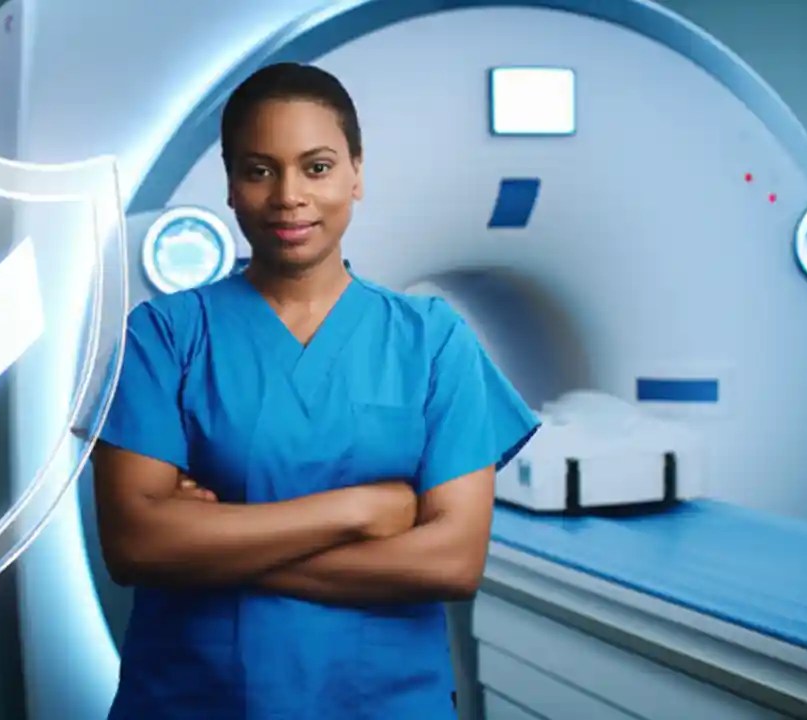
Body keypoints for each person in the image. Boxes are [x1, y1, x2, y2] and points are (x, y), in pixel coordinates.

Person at [91, 62, 540, 719]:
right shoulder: (164, 335)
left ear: (357, 173)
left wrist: (209, 547)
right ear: (231, 185)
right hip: (196, 699)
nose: (288, 196)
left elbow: (452, 561)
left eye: (318, 166)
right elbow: (136, 546)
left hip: (383, 703)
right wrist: (359, 510)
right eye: (259, 169)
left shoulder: (433, 340)